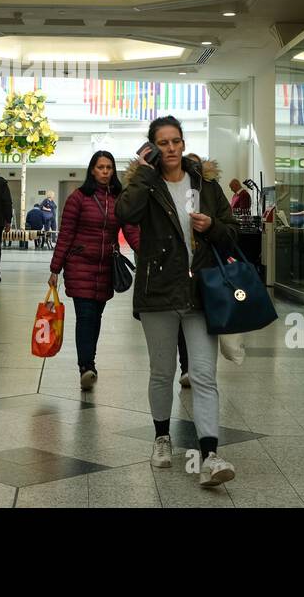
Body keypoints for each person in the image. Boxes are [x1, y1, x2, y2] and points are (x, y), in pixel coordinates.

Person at [117, 115, 239, 488]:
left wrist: (212, 227)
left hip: (202, 292)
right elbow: (126, 214)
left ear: (184, 143)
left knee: (204, 374)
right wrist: (144, 174)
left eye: (176, 141)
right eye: (163, 143)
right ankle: (161, 438)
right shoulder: (146, 183)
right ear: (153, 146)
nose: (171, 149)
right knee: (161, 371)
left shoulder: (205, 183)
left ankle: (210, 455)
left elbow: (233, 234)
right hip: (158, 291)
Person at [49, 151, 139, 391]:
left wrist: (146, 251)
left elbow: (130, 229)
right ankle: (86, 367)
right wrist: (55, 268)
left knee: (96, 317)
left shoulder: (119, 199)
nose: (105, 172)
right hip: (80, 264)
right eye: (100, 167)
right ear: (92, 170)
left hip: (106, 267)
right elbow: (66, 233)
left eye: (109, 167)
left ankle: (89, 362)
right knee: (86, 316)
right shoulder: (78, 198)